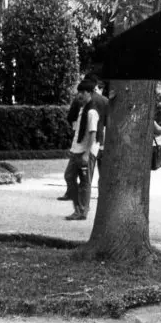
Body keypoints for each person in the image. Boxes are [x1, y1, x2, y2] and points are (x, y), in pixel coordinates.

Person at [64, 79, 99, 221]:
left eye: (83, 92)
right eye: (79, 92)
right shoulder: (82, 109)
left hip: (85, 152)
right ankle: (78, 207)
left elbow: (92, 133)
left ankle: (82, 210)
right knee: (69, 176)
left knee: (85, 182)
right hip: (76, 150)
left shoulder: (91, 112)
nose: (80, 95)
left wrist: (87, 153)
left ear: (89, 93)